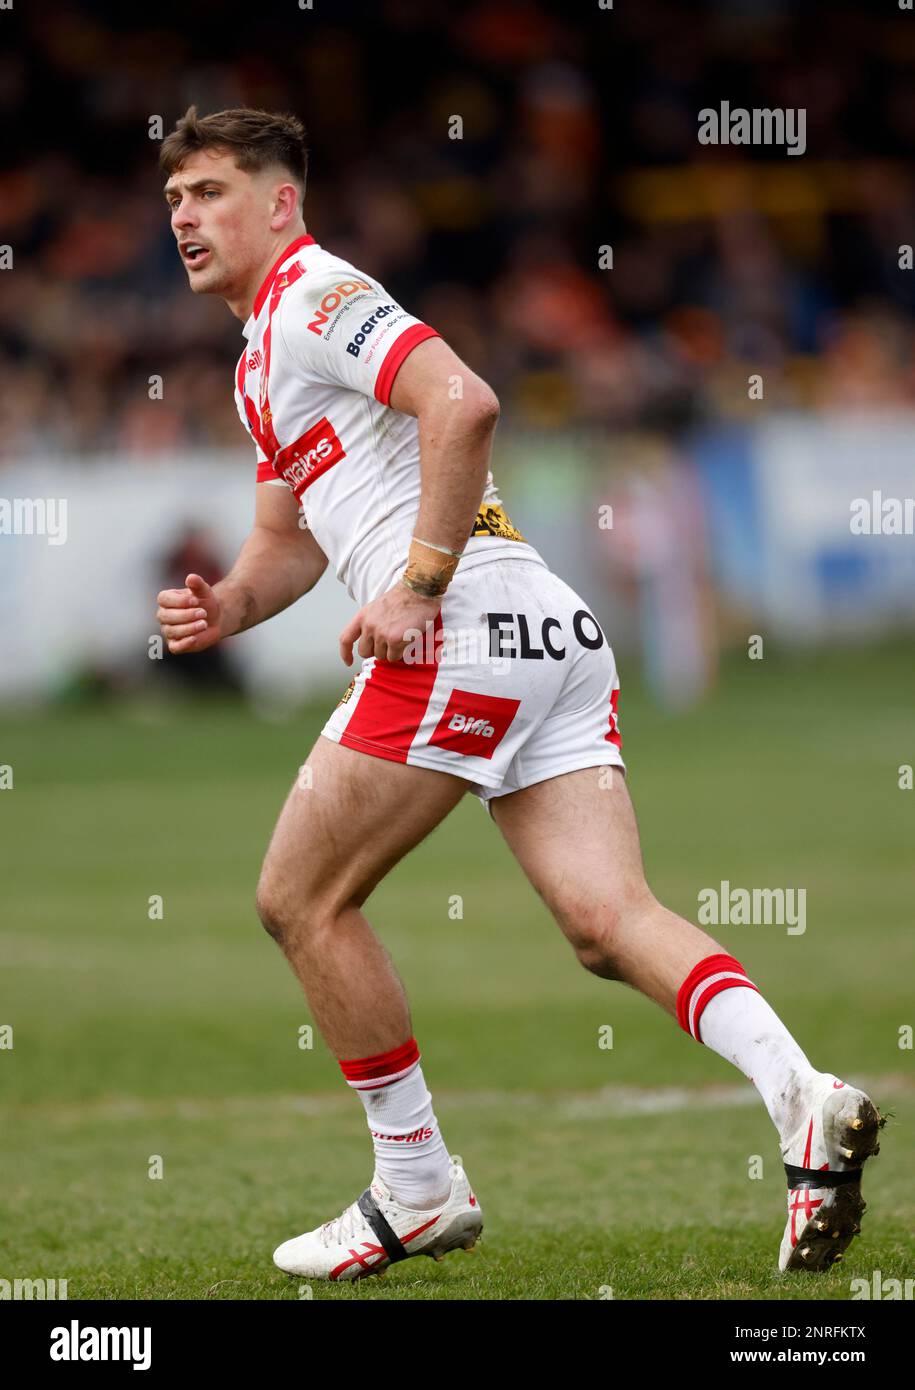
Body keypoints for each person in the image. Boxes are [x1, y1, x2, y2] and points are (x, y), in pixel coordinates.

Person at [155, 106, 882, 1283]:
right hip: (544, 628)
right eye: (176, 197)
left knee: (300, 898)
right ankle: (804, 1098)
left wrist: (418, 583)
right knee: (607, 922)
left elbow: (468, 401)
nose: (185, 216)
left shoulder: (313, 294)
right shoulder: (256, 356)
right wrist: (230, 603)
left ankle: (417, 1185)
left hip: (463, 622)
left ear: (281, 202)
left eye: (212, 192)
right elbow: (286, 538)